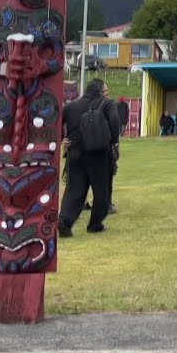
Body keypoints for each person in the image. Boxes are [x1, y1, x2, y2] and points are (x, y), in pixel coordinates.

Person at [60, 79, 120, 236]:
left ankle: (65, 222)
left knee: (74, 190)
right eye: (105, 90)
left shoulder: (71, 106)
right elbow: (114, 123)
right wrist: (114, 143)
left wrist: (63, 138)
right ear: (100, 91)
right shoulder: (107, 104)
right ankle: (95, 223)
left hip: (75, 153)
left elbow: (57, 122)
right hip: (99, 153)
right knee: (101, 191)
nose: (107, 93)